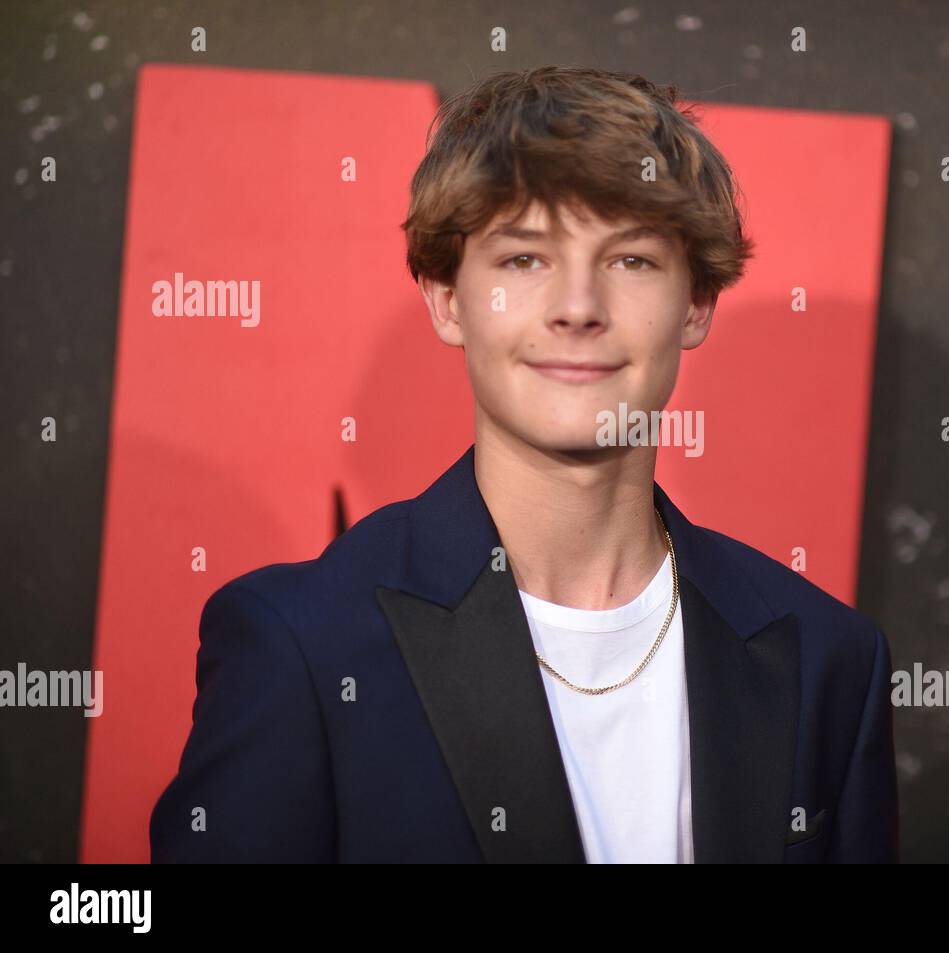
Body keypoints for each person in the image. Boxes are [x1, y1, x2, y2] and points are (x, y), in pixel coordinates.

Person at [150, 65, 898, 863]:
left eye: (631, 259)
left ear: (696, 303)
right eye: (523, 260)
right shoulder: (302, 645)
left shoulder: (829, 659)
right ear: (446, 298)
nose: (577, 306)